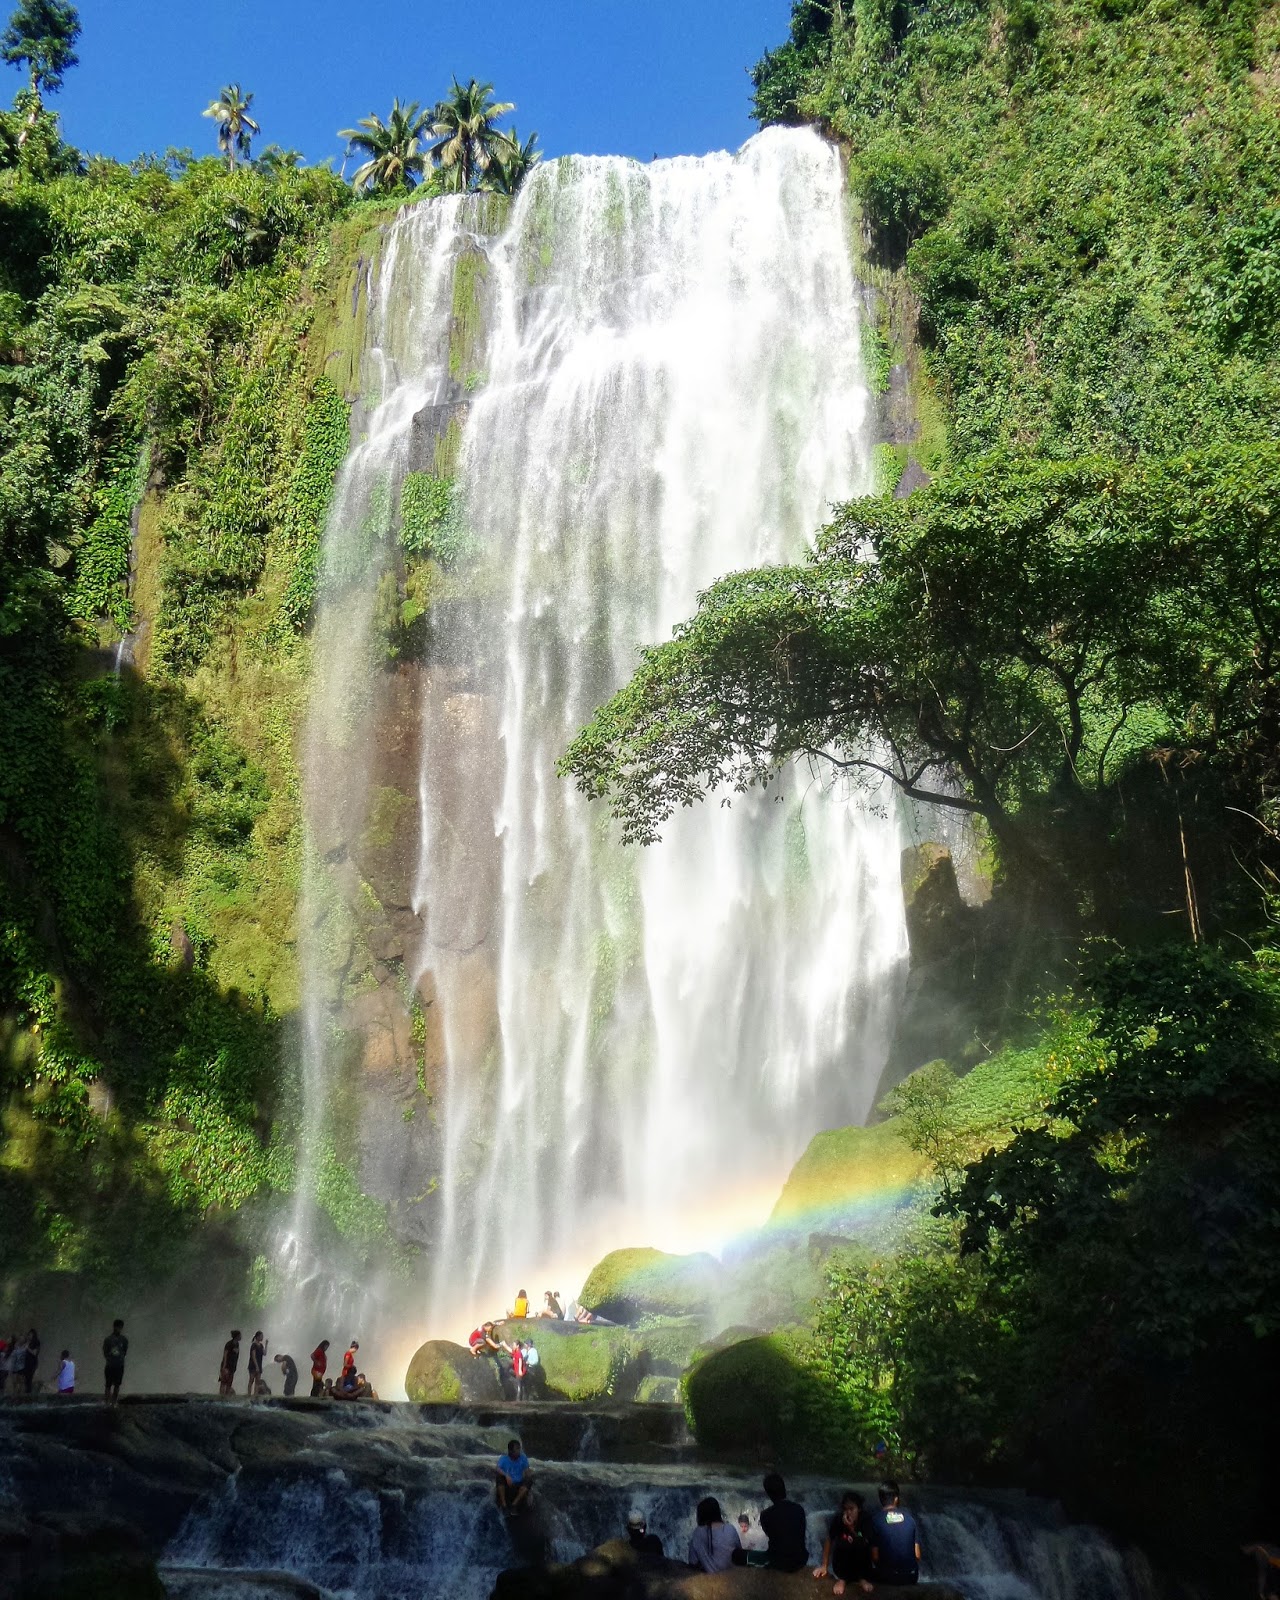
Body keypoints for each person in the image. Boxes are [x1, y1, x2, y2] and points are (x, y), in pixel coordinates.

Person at [814, 1491, 874, 1596]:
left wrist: (851, 1528)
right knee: (843, 1544)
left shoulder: (865, 1519)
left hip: (861, 1559)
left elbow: (867, 1541)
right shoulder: (838, 1519)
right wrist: (824, 1565)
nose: (848, 1513)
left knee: (860, 1545)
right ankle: (842, 1579)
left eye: (851, 1509)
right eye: (846, 1509)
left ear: (859, 1509)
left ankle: (862, 1578)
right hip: (842, 1560)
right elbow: (829, 1540)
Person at [868, 1480, 921, 1587]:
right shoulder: (910, 1519)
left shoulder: (875, 1520)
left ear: (880, 1499)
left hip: (887, 1577)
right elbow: (917, 1556)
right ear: (896, 1499)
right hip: (911, 1576)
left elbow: (875, 1557)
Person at [756, 1473, 808, 1572]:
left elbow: (770, 1535)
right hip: (800, 1560)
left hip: (777, 1562)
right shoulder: (799, 1509)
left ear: (768, 1493)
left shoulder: (765, 1515)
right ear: (784, 1489)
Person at [688, 1496, 741, 1574]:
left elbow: (692, 1562)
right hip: (732, 1577)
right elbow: (740, 1554)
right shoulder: (731, 1528)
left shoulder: (698, 1532)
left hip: (711, 1578)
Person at [495, 1436, 533, 1516]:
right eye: (517, 1449)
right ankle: (504, 1505)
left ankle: (514, 1504)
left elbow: (527, 1470)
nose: (519, 1451)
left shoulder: (523, 1458)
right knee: (499, 1478)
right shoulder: (504, 1459)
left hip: (518, 1483)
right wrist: (506, 1476)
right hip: (508, 1484)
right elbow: (497, 1469)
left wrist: (528, 1473)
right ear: (510, 1451)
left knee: (529, 1480)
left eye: (519, 1448)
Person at [103, 1319, 127, 1403]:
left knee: (117, 1385)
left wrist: (119, 1359)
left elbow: (125, 1351)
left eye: (120, 1327)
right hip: (110, 1365)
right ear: (114, 1327)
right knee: (108, 1384)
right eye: (118, 1327)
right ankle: (107, 1402)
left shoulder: (124, 1340)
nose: (119, 1329)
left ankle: (114, 1402)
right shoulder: (108, 1339)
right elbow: (105, 1352)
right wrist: (110, 1359)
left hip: (119, 1365)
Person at [219, 1330, 241, 1397]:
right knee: (223, 1381)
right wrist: (224, 1366)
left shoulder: (237, 1344)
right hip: (226, 1365)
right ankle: (221, 1395)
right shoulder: (229, 1344)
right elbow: (225, 1355)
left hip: (232, 1366)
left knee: (229, 1382)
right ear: (236, 1336)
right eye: (240, 1335)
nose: (241, 1337)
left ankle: (227, 1395)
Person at [247, 1331, 267, 1397]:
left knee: (257, 1381)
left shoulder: (261, 1345)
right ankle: (249, 1394)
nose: (262, 1337)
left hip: (259, 1364)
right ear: (257, 1337)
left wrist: (266, 1344)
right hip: (253, 1365)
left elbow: (264, 1353)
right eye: (261, 1336)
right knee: (251, 1380)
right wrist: (256, 1366)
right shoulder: (254, 1345)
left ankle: (255, 1394)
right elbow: (253, 1356)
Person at [21, 1328, 40, 1395]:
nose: (29, 1336)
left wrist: (27, 1348)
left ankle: (29, 1394)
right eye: (28, 1334)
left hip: (32, 1363)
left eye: (30, 1334)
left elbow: (35, 1353)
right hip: (26, 1363)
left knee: (29, 1379)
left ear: (33, 1335)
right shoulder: (28, 1342)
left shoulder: (36, 1342)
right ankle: (26, 1393)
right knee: (25, 1379)